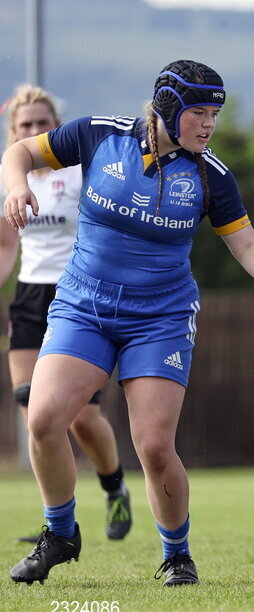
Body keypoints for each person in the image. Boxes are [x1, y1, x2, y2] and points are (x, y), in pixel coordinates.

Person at [3, 60, 254, 586]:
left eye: (214, 113)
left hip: (160, 318)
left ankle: (177, 554)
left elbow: (243, 241)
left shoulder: (210, 174)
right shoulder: (98, 136)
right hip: (84, 306)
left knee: (152, 444)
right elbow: (20, 153)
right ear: (169, 108)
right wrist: (17, 187)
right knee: (42, 419)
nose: (208, 124)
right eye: (198, 112)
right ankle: (60, 533)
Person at [1, 85, 132, 544]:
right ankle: (55, 521)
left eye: (42, 123)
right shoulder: (10, 177)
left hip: (78, 294)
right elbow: (5, 247)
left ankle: (114, 486)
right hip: (31, 295)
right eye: (25, 126)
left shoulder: (78, 171)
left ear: (53, 125)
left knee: (79, 418)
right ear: (13, 132)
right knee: (29, 403)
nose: (34, 130)